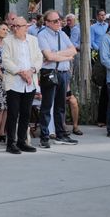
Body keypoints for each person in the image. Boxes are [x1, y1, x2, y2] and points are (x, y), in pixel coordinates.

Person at [37, 10, 78, 149]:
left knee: (61, 105)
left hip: (63, 72)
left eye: (59, 20)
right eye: (55, 21)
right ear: (47, 23)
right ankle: (44, 136)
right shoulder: (42, 35)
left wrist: (57, 54)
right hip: (49, 72)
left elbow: (73, 50)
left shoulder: (62, 33)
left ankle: (61, 134)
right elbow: (48, 56)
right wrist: (64, 56)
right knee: (47, 105)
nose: (58, 23)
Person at [1, 16, 41, 153]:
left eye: (18, 26)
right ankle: (11, 143)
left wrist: (31, 70)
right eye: (13, 26)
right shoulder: (7, 41)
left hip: (29, 82)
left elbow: (38, 58)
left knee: (26, 113)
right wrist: (20, 72)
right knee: (13, 114)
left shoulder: (33, 40)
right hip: (14, 83)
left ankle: (22, 141)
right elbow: (5, 61)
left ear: (26, 27)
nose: (15, 28)